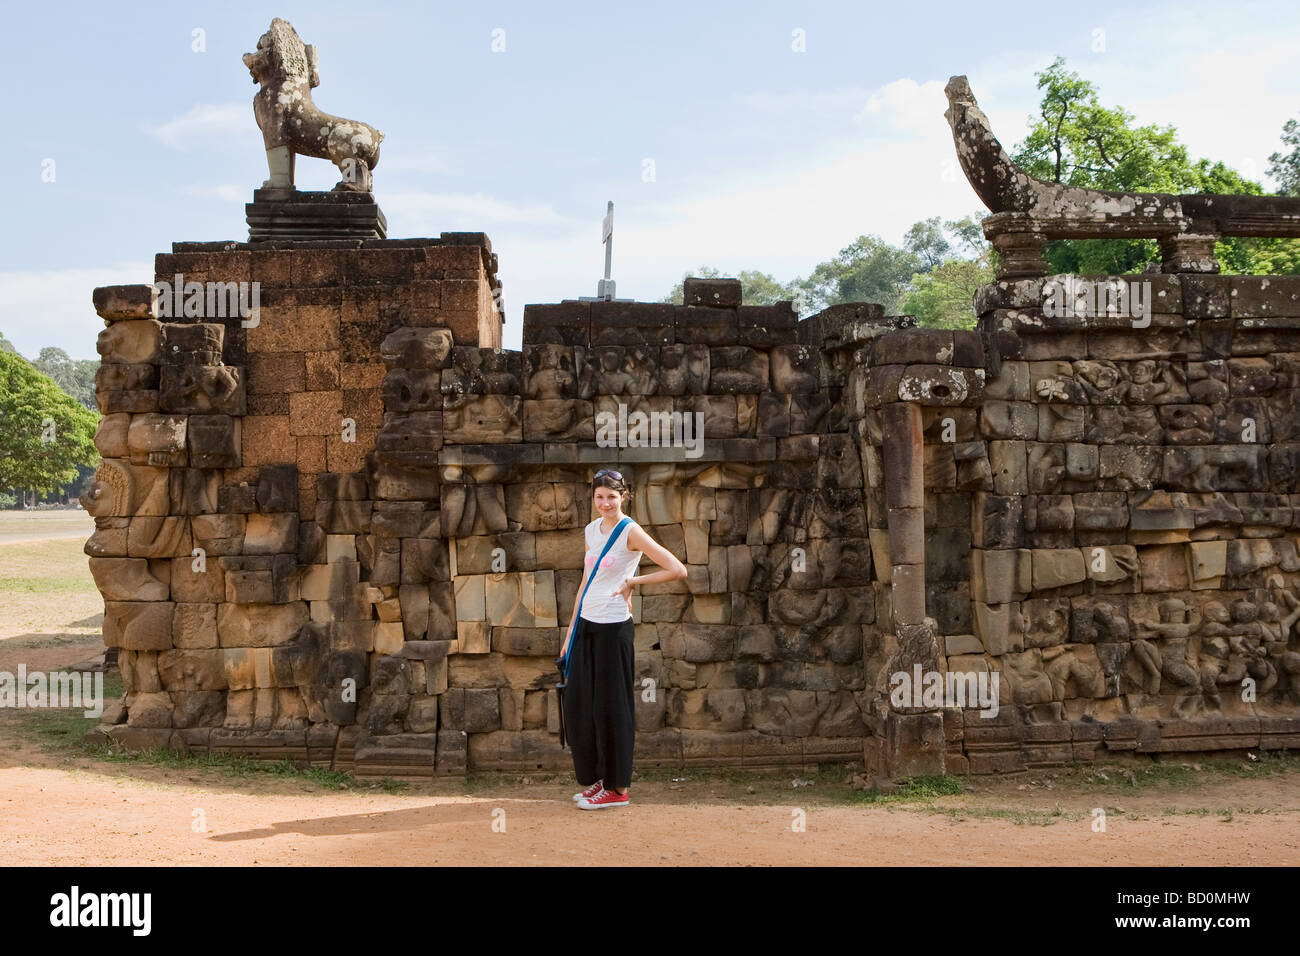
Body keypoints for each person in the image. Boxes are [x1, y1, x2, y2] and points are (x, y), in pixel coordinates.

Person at [561, 468, 687, 810]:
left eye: (611, 497)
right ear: (593, 498)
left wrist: (634, 583)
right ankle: (600, 780)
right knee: (583, 705)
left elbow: (676, 569)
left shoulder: (629, 530)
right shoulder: (591, 530)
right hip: (587, 623)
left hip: (614, 627)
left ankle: (618, 790)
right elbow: (586, 581)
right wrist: (570, 632)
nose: (605, 503)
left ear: (623, 497)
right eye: (599, 497)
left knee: (612, 706)